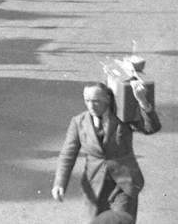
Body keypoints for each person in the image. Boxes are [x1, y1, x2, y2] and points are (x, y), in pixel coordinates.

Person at [51, 80, 160, 222]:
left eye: (96, 101)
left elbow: (151, 128)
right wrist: (59, 183)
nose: (91, 105)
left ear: (107, 99)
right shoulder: (78, 122)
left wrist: (143, 101)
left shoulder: (123, 117)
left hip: (123, 185)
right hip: (94, 185)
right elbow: (67, 154)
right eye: (87, 100)